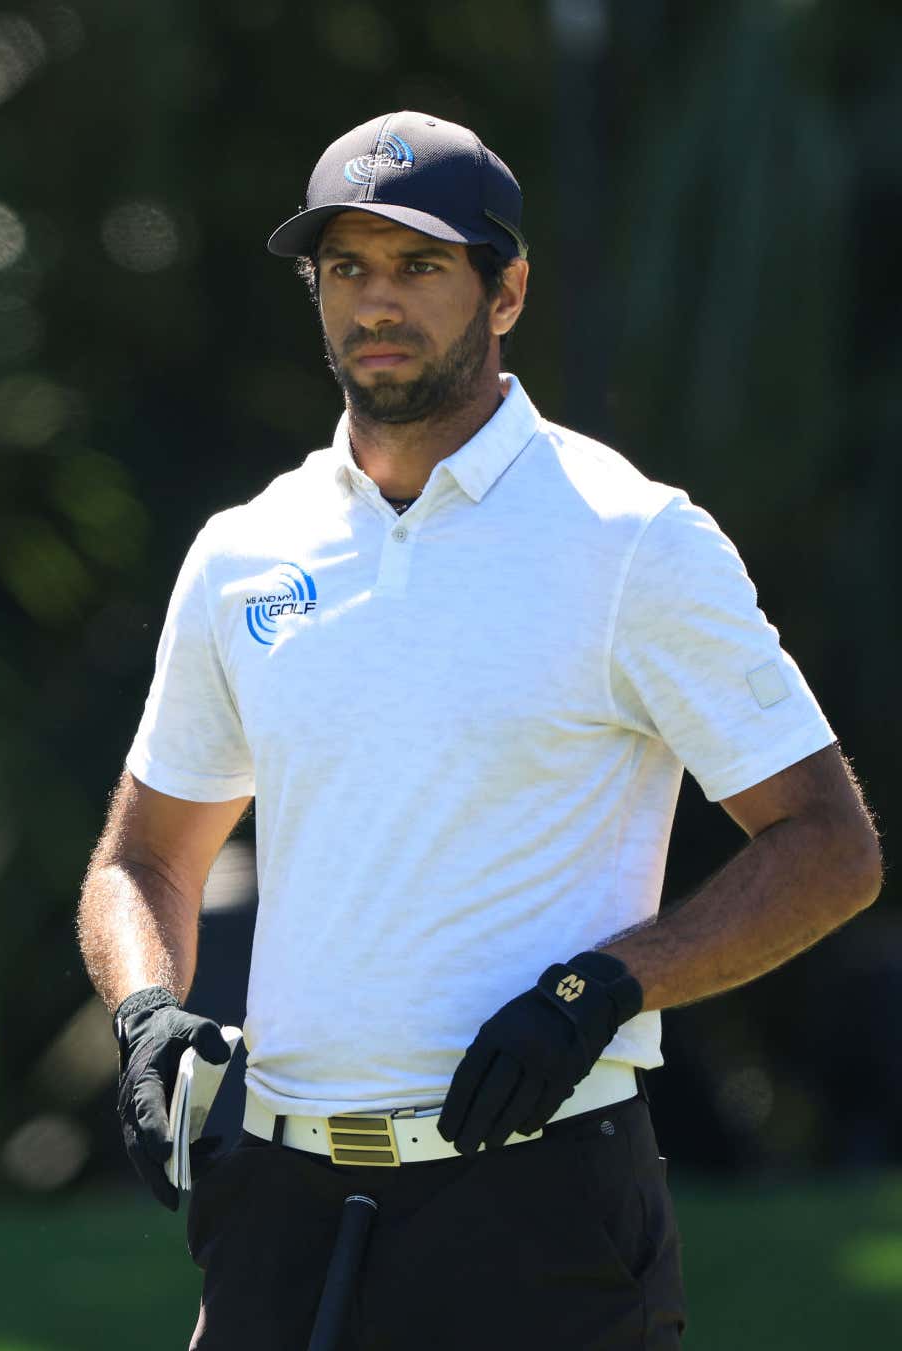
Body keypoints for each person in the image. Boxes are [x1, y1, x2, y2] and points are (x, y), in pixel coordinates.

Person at [75, 112, 883, 1349]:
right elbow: (142, 860)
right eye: (346, 267)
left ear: (505, 290)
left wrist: (601, 990)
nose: (376, 303)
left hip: (538, 1198)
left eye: (418, 265)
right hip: (275, 1205)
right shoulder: (244, 551)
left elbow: (827, 847)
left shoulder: (631, 538)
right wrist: (143, 1011)